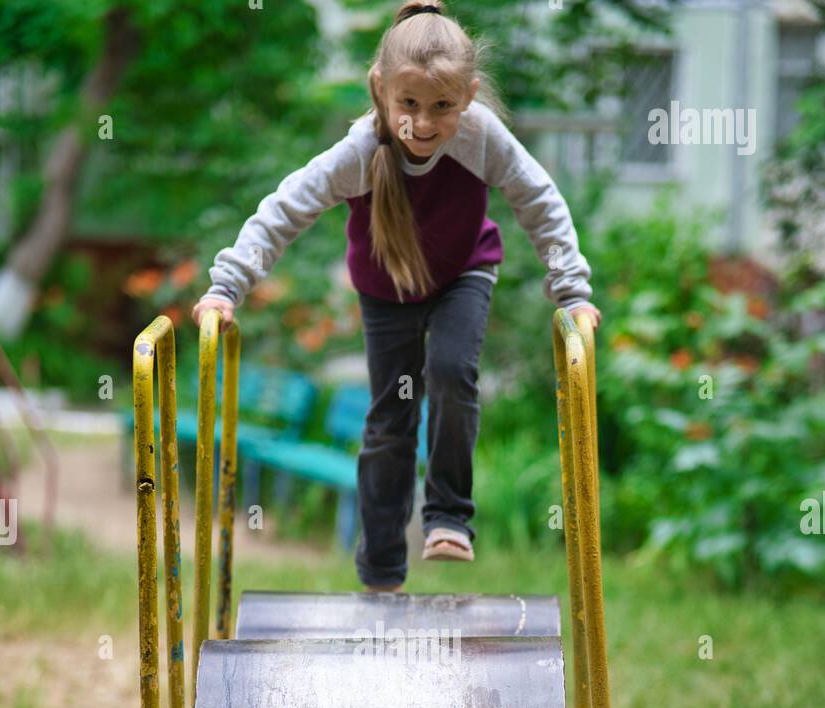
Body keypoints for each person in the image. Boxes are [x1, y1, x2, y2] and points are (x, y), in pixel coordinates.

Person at [192, 0, 600, 593]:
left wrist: (571, 293)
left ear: (470, 95)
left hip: (464, 276)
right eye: (408, 104)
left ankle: (448, 518)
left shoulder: (482, 138)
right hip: (386, 292)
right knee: (389, 419)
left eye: (443, 106)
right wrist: (226, 285)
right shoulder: (360, 152)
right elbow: (283, 210)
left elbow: (541, 202)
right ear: (380, 89)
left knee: (452, 373)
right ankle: (382, 567)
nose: (424, 123)